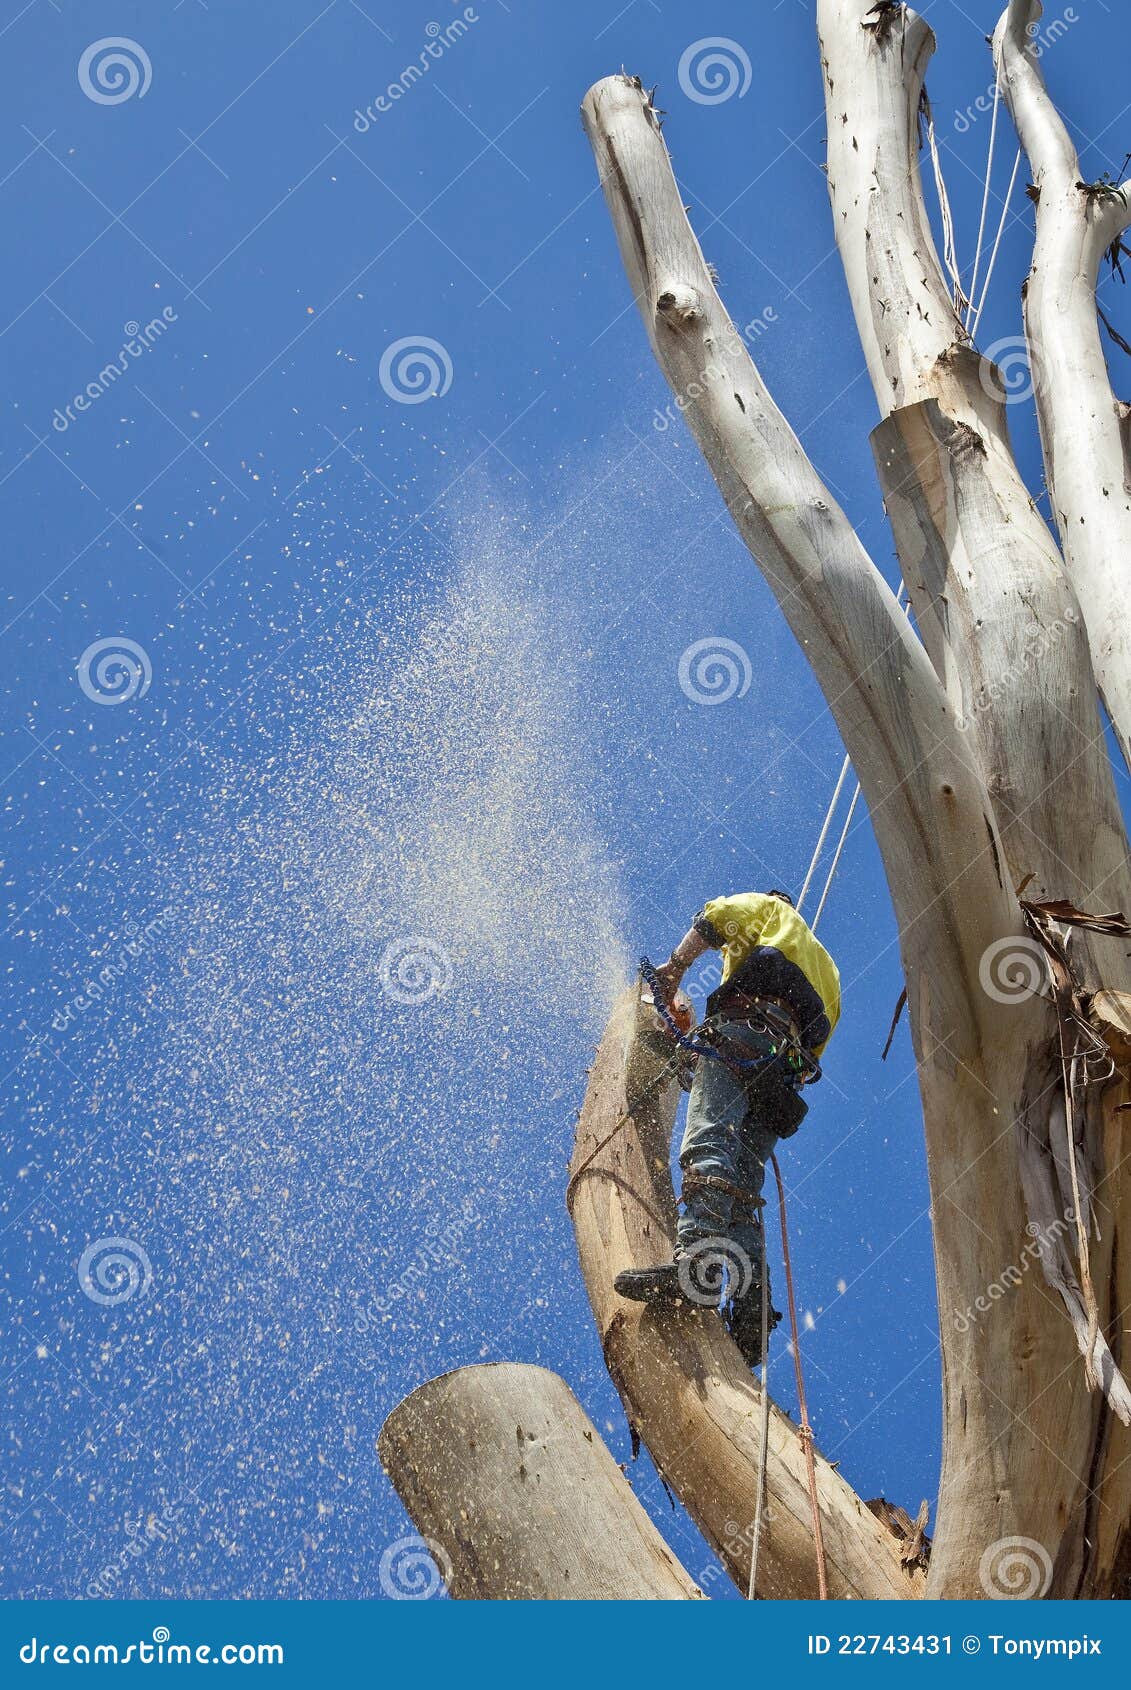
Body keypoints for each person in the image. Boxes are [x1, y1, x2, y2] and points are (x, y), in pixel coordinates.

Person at [614, 890, 840, 1368]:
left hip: (742, 1033)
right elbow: (817, 1047)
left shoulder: (773, 910)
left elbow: (717, 918)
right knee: (742, 1189)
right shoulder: (828, 970)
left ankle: (695, 1263)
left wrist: (673, 969)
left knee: (708, 1139)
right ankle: (753, 1309)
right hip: (782, 1075)